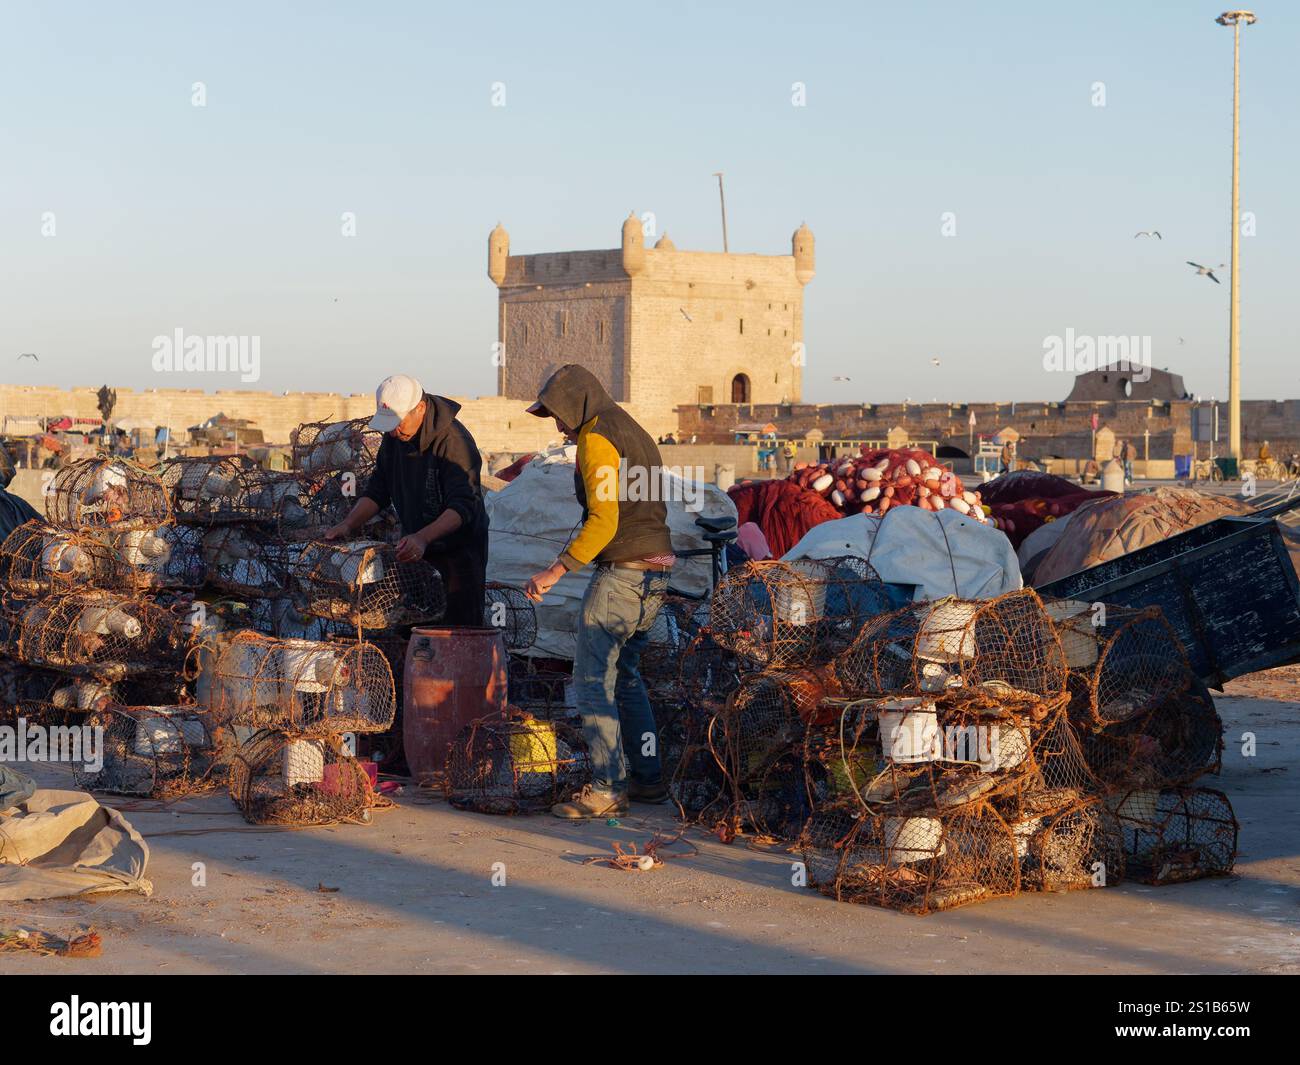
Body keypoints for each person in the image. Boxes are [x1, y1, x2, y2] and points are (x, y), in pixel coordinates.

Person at [522, 364, 673, 819]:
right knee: (625, 675)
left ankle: (607, 789)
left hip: (623, 576)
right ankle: (649, 781)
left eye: (557, 414)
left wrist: (554, 571)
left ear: (576, 404)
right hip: (656, 572)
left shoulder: (596, 438)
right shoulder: (634, 430)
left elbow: (604, 521)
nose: (557, 425)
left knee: (591, 681)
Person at [325, 374, 489, 625]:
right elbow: (377, 491)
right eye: (388, 425)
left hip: (458, 554)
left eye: (397, 423)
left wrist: (423, 537)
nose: (393, 430)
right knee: (413, 625)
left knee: (456, 629)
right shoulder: (394, 440)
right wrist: (348, 524)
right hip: (416, 550)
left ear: (420, 408)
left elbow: (463, 506)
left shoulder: (453, 442)